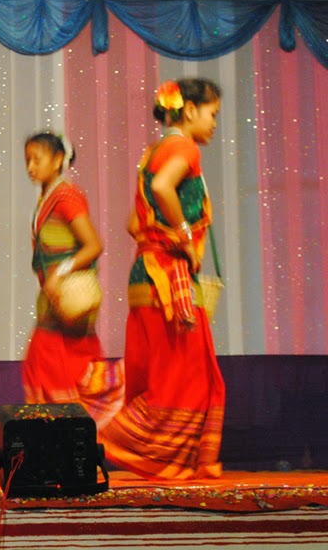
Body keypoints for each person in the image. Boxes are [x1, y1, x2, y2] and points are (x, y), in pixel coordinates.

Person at [102, 78, 225, 480]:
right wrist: (186, 237)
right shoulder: (182, 147)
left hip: (145, 276)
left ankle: (167, 460)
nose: (213, 124)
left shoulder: (152, 151)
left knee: (159, 372)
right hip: (166, 279)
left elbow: (132, 222)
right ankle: (125, 446)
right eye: (212, 114)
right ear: (189, 111)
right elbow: (162, 187)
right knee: (187, 376)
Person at [21, 132, 123, 428]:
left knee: (59, 372)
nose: (30, 166)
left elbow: (93, 244)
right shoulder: (47, 197)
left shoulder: (66, 196)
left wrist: (61, 272)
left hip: (68, 303)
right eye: (27, 160)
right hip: (53, 303)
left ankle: (77, 440)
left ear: (57, 160)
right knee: (44, 369)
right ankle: (62, 445)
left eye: (36, 159)